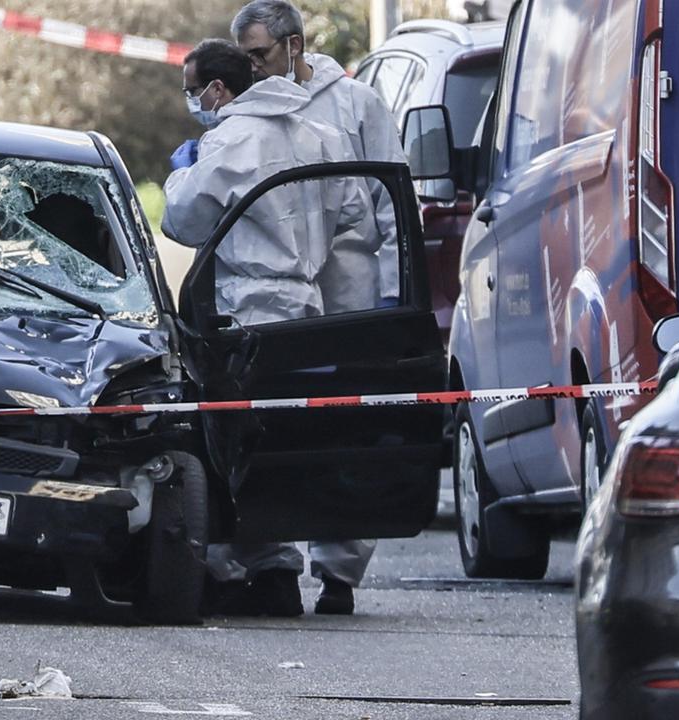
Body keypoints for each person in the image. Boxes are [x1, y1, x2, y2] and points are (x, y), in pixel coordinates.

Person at [161, 39, 371, 616]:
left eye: (192, 91)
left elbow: (181, 220)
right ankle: (295, 573)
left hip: (246, 313)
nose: (193, 102)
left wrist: (184, 174)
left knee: (235, 447)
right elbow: (356, 210)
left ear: (219, 90)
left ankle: (245, 574)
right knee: (291, 444)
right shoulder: (320, 133)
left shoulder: (230, 139)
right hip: (309, 310)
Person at [231, 0, 408, 615]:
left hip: (348, 276)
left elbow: (391, 198)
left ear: (295, 44)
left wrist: (393, 293)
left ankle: (340, 571)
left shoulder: (357, 105)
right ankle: (273, 563)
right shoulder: (249, 112)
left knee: (344, 419)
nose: (255, 69)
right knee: (273, 421)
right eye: (247, 58)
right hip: (279, 281)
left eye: (261, 54)